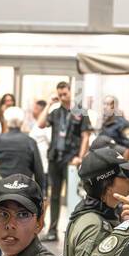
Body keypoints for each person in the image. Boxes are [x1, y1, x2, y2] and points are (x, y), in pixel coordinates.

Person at [40, 81, 92, 243]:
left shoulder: (80, 112)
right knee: (54, 196)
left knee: (73, 196)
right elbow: (41, 124)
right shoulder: (55, 113)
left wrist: (80, 157)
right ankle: (52, 230)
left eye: (65, 94)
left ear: (71, 93)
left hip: (71, 160)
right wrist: (49, 104)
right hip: (55, 158)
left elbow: (85, 136)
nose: (62, 97)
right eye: (60, 94)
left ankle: (73, 231)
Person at [0, 105, 45, 192]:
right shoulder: (29, 141)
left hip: (0, 185)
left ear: (6, 121)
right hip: (23, 187)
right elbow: (38, 170)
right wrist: (41, 192)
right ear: (21, 122)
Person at [98, 95, 129, 160]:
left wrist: (123, 166)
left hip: (116, 162)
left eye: (108, 104)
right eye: (104, 104)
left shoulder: (125, 124)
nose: (104, 107)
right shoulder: (105, 123)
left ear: (115, 106)